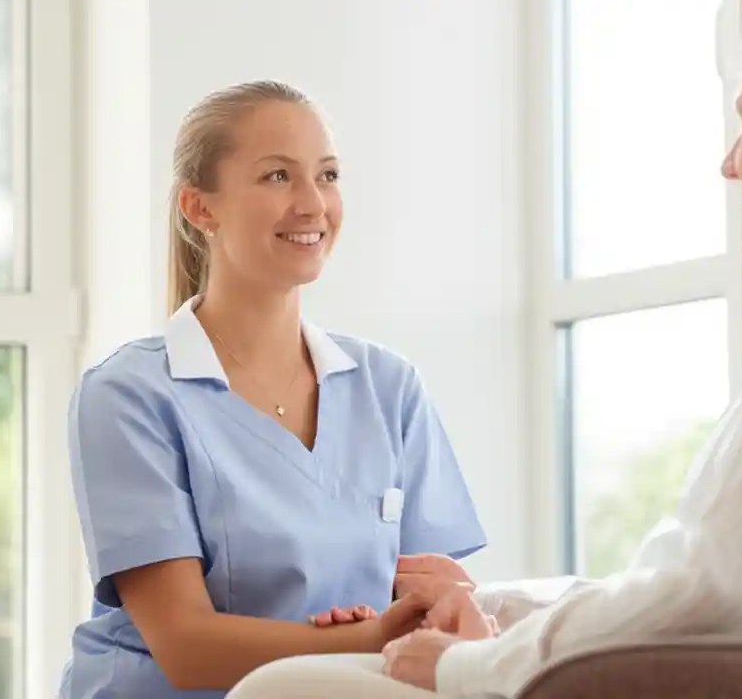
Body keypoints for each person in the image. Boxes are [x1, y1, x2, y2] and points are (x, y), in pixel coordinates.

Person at [230, 0, 742, 699]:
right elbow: (710, 586)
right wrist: (505, 609)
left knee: (279, 687)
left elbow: (713, 599)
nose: (730, 166)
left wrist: (471, 665)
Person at [60, 81, 487, 699]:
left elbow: (429, 594)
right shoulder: (129, 396)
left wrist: (448, 602)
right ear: (200, 209)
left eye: (329, 175)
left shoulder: (388, 388)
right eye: (278, 177)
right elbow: (187, 648)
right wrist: (364, 640)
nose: (314, 203)